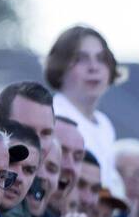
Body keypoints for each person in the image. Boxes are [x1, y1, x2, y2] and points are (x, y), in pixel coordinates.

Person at [46, 26, 120, 183]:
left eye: (101, 59)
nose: (94, 67)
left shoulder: (105, 124)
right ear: (60, 66)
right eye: (81, 59)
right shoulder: (50, 116)